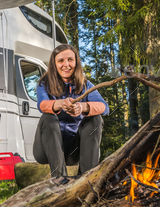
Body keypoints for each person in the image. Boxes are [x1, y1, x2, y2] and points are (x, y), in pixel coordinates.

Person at [33, 44, 109, 178]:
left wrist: (83, 107)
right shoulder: (44, 84)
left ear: (76, 62)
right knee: (48, 117)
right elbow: (42, 105)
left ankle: (87, 179)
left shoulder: (86, 85)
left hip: (74, 151)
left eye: (70, 60)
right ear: (54, 64)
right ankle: (59, 179)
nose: (66, 64)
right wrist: (60, 104)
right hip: (46, 150)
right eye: (61, 61)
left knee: (96, 118)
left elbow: (104, 107)